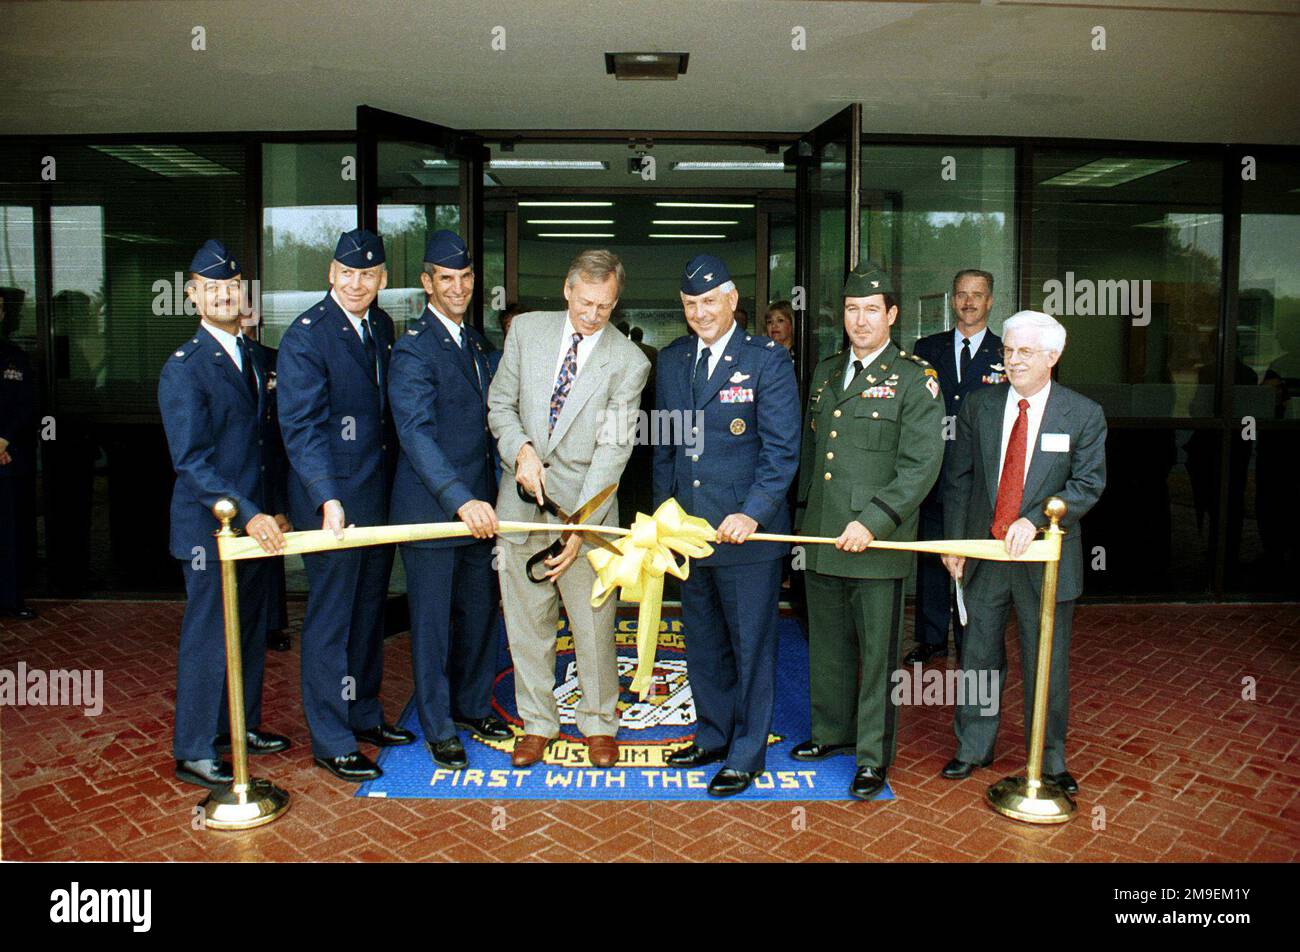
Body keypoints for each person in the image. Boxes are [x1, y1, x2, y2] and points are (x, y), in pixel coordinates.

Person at [487, 250, 650, 769]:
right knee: (528, 623)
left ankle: (600, 723)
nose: (592, 315)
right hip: (520, 507)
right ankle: (537, 722)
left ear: (615, 302)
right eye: (585, 302)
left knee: (593, 625)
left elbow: (615, 448)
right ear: (566, 290)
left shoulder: (630, 361)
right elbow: (500, 406)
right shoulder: (526, 332)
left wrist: (581, 524)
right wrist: (520, 450)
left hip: (589, 513)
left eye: (604, 306)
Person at [792, 263, 945, 800]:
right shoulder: (828, 372)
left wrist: (874, 521)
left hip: (877, 540)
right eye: (852, 310)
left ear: (892, 315)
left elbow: (921, 465)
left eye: (871, 310)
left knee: (877, 653)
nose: (860, 320)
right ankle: (832, 733)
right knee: (828, 645)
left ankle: (872, 756)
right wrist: (803, 524)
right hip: (822, 534)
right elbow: (815, 457)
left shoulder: (914, 378)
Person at [940, 310, 1106, 795]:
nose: (1013, 361)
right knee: (977, 657)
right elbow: (960, 480)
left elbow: (1087, 485)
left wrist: (1033, 521)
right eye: (1008, 351)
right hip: (985, 555)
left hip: (1046, 563)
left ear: (1053, 357)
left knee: (1047, 661)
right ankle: (972, 746)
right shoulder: (979, 406)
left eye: (1025, 352)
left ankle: (1049, 759)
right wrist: (954, 545)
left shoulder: (1083, 414)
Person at [654, 255, 799, 797]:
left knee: (750, 646)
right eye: (691, 304)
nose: (700, 313)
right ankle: (713, 735)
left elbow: (782, 452)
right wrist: (663, 519)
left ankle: (746, 752)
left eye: (709, 301)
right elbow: (667, 448)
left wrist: (753, 511)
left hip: (746, 537)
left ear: (733, 300)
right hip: (689, 535)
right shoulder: (672, 362)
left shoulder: (767, 360)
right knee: (703, 642)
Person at [277, 228, 412, 783]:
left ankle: (363, 713)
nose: (358, 284)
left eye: (369, 275)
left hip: (374, 497)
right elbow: (302, 428)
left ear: (382, 280)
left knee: (367, 612)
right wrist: (326, 499)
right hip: (331, 501)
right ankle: (331, 738)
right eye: (348, 273)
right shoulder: (306, 336)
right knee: (332, 620)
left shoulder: (379, 325)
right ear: (331, 274)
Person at [158, 240, 292, 789]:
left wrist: (277, 510)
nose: (223, 295)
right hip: (210, 531)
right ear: (192, 296)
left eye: (232, 287)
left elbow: (270, 445)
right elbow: (192, 462)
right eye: (211, 287)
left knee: (251, 630)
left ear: (245, 294)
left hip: (260, 525)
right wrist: (251, 513)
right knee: (211, 635)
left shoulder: (261, 358)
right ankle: (193, 747)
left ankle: (240, 724)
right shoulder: (184, 369)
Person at [388, 230, 511, 771]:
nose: (458, 287)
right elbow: (416, 435)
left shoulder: (480, 343)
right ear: (426, 283)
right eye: (446, 279)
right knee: (434, 623)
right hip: (436, 510)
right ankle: (438, 724)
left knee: (480, 613)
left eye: (464, 278)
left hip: (484, 509)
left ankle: (469, 704)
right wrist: (461, 500)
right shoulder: (414, 346)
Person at [907, 269, 1004, 664]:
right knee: (932, 559)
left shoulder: (1004, 352)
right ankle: (931, 639)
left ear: (990, 301)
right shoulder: (926, 348)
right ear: (952, 300)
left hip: (980, 477)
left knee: (973, 563)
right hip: (933, 471)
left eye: (976, 295)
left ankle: (970, 641)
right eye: (962, 295)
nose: (968, 302)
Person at [0, 287, 37, 620]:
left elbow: (25, 404)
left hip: (6, 456)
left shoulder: (14, 357)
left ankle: (10, 598)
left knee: (10, 530)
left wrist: (4, 440)